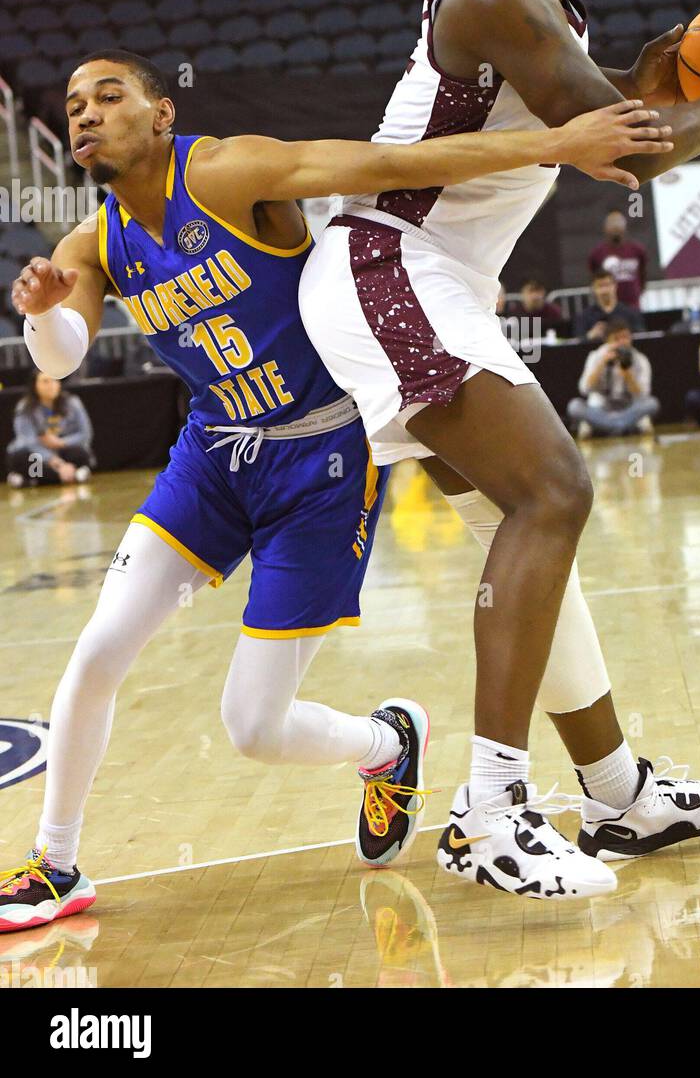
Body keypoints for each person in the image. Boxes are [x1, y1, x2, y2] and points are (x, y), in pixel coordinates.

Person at [299, 0, 700, 898]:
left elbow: (614, 111)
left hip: (423, 281)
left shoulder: (536, 6)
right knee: (559, 491)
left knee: (536, 532)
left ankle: (620, 792)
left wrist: (681, 77)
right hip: (390, 263)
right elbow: (632, 154)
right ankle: (488, 809)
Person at [0, 48, 653, 932]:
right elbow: (64, 355)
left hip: (321, 461)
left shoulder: (229, 170)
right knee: (97, 651)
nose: (84, 113)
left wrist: (555, 142)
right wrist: (42, 309)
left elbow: (385, 166)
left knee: (253, 728)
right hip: (213, 454)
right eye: (74, 103)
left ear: (160, 114)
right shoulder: (91, 242)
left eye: (108, 95)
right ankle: (58, 863)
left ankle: (389, 745)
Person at [567, 318, 659, 439]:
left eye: (625, 337)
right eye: (616, 339)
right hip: (601, 408)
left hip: (629, 407)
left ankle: (602, 426)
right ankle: (626, 425)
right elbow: (584, 389)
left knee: (652, 404)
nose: (622, 342)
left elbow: (643, 394)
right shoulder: (596, 356)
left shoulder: (640, 359)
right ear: (607, 341)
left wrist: (627, 374)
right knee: (574, 406)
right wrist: (601, 365)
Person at [5, 371, 94, 487]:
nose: (51, 385)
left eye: (54, 380)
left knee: (81, 454)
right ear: (34, 385)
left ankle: (31, 481)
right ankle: (70, 475)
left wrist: (61, 442)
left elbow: (85, 434)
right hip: (39, 456)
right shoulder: (24, 408)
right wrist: (56, 462)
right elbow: (28, 441)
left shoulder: (73, 402)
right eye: (45, 382)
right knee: (20, 459)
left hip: (62, 450)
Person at [588, 209, 646, 308]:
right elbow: (593, 277)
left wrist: (637, 292)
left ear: (625, 226)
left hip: (633, 305)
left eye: (618, 223)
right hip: (609, 306)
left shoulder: (637, 250)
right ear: (605, 228)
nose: (615, 227)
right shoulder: (597, 253)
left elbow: (643, 274)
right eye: (612, 224)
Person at [576, 269, 644, 340]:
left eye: (607, 285)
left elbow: (641, 336)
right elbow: (576, 341)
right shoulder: (584, 316)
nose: (604, 290)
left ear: (615, 286)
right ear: (593, 289)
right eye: (600, 286)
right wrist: (590, 335)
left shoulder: (631, 312)